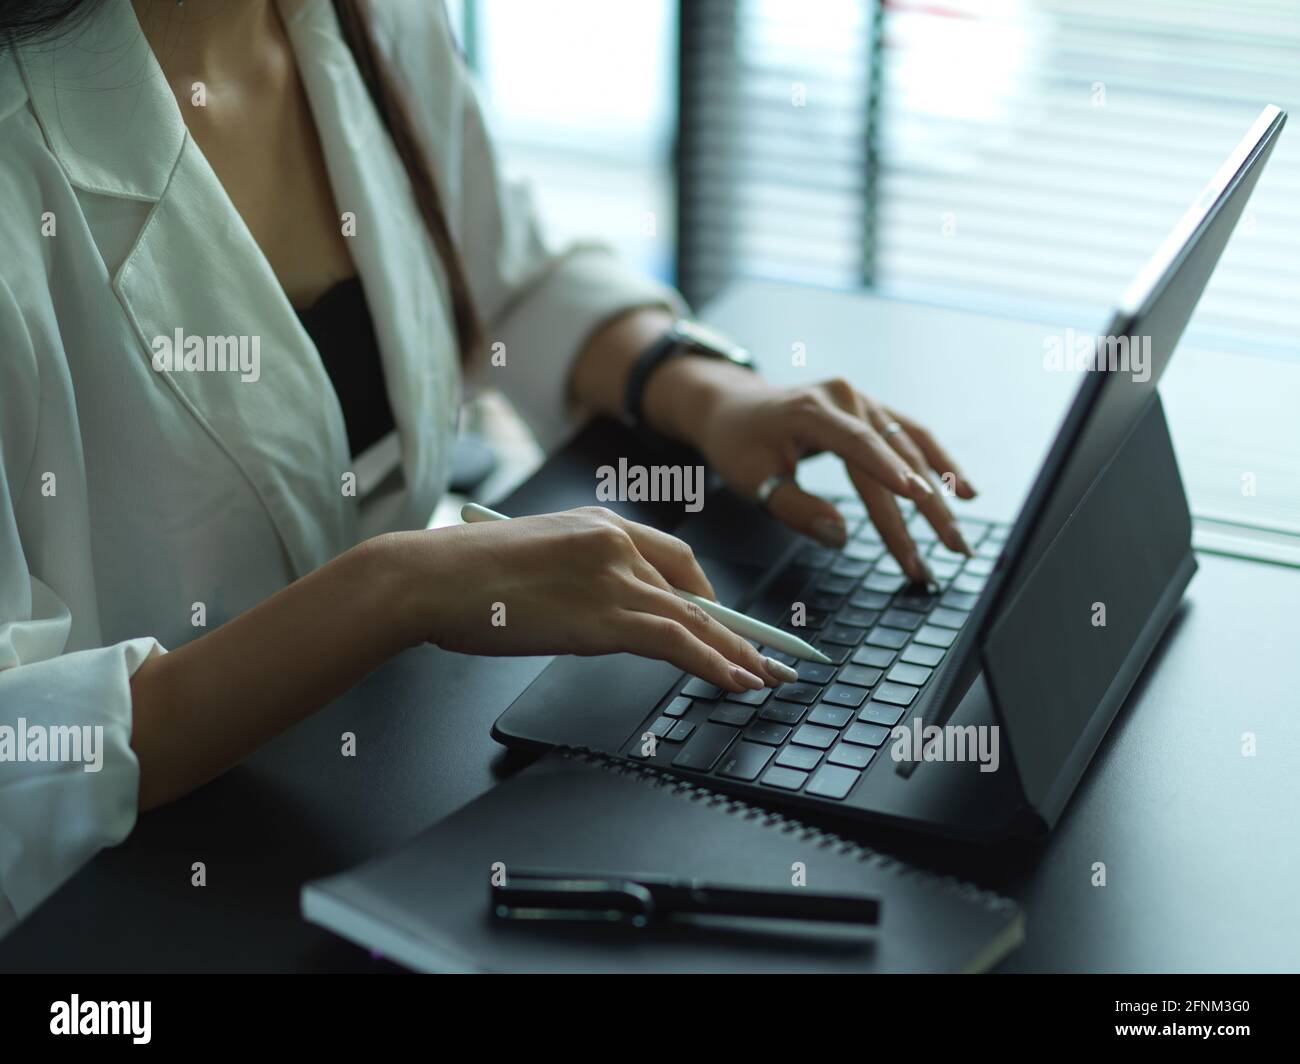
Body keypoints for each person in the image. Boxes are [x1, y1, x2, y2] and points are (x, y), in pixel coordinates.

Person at [0, 0, 976, 932]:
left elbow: (506, 275)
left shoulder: (360, 20)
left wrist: (704, 387)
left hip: (377, 770)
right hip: (141, 892)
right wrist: (391, 588)